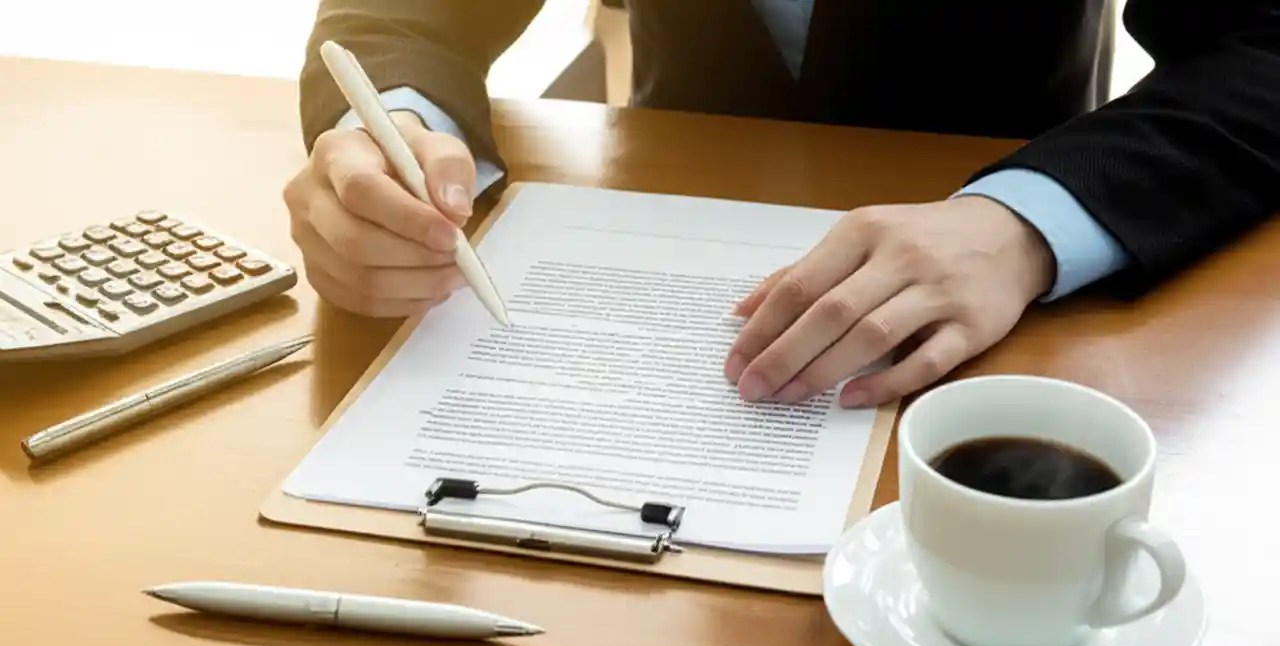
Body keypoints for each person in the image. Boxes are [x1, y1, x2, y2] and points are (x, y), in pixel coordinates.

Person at [284, 1, 1280, 408]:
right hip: (661, 226)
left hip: (1009, 328)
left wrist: (1025, 225)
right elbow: (405, 15)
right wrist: (390, 133)